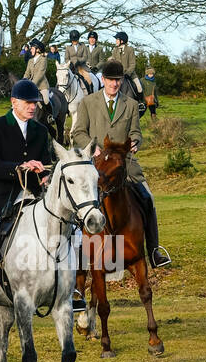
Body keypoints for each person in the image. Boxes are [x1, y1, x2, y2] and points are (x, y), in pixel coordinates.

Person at [71, 59, 170, 272]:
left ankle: (153, 250)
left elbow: (136, 132)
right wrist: (93, 149)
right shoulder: (88, 102)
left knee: (148, 197)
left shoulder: (132, 104)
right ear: (103, 80)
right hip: (96, 166)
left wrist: (135, 142)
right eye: (110, 80)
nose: (114, 84)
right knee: (78, 205)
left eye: (118, 80)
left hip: (125, 165)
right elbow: (78, 132)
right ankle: (77, 256)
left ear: (122, 80)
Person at [0, 78, 57, 320]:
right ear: (14, 102)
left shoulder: (41, 131)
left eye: (36, 103)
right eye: (28, 103)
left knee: (65, 226)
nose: (33, 107)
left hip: (34, 196)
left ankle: (71, 287)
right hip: (1, 196)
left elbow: (46, 161)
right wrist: (19, 167)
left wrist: (45, 175)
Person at [111, 31, 142, 95]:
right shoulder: (115, 50)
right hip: (117, 74)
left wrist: (128, 73)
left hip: (130, 74)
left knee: (139, 88)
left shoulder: (130, 49)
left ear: (122, 41)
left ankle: (140, 103)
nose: (116, 41)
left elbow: (132, 64)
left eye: (117, 39)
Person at [22, 38, 50, 104]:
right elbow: (27, 73)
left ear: (37, 49)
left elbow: (40, 73)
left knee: (46, 101)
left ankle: (49, 114)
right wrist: (23, 81)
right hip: (31, 84)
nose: (30, 50)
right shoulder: (30, 60)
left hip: (42, 86)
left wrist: (32, 84)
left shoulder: (43, 59)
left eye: (32, 48)